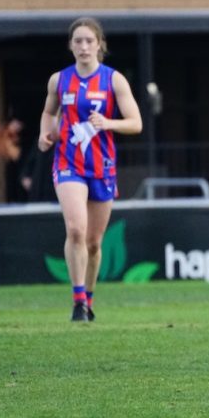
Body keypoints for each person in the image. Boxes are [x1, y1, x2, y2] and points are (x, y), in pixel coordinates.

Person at [37, 17, 144, 322]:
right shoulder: (60, 80)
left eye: (89, 41)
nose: (84, 46)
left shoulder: (114, 80)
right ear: (71, 46)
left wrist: (108, 123)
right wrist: (45, 134)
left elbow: (136, 123)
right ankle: (77, 299)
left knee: (95, 242)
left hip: (102, 166)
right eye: (78, 41)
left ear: (99, 45)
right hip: (68, 163)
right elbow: (49, 112)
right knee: (75, 229)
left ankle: (89, 298)